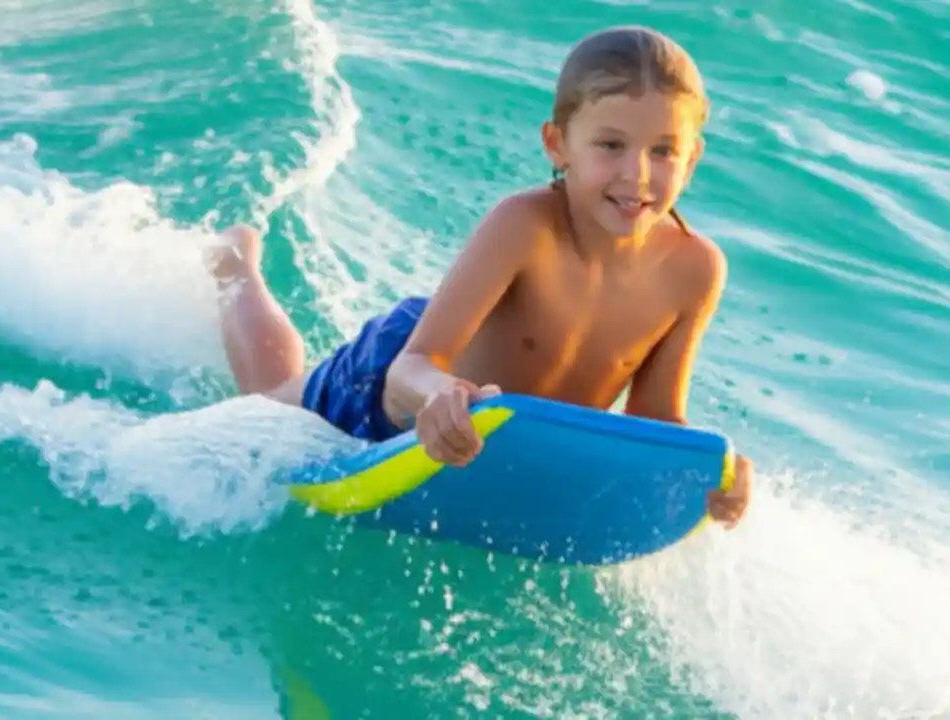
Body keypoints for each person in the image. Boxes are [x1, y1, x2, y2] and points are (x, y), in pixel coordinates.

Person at [209, 25, 752, 528]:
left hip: (483, 431)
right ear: (558, 144)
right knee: (267, 401)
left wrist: (709, 477)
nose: (637, 174)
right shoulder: (526, 225)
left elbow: (655, 421)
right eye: (610, 145)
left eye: (663, 151)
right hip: (401, 374)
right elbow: (409, 372)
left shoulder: (695, 272)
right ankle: (235, 263)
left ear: (693, 158)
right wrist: (438, 397)